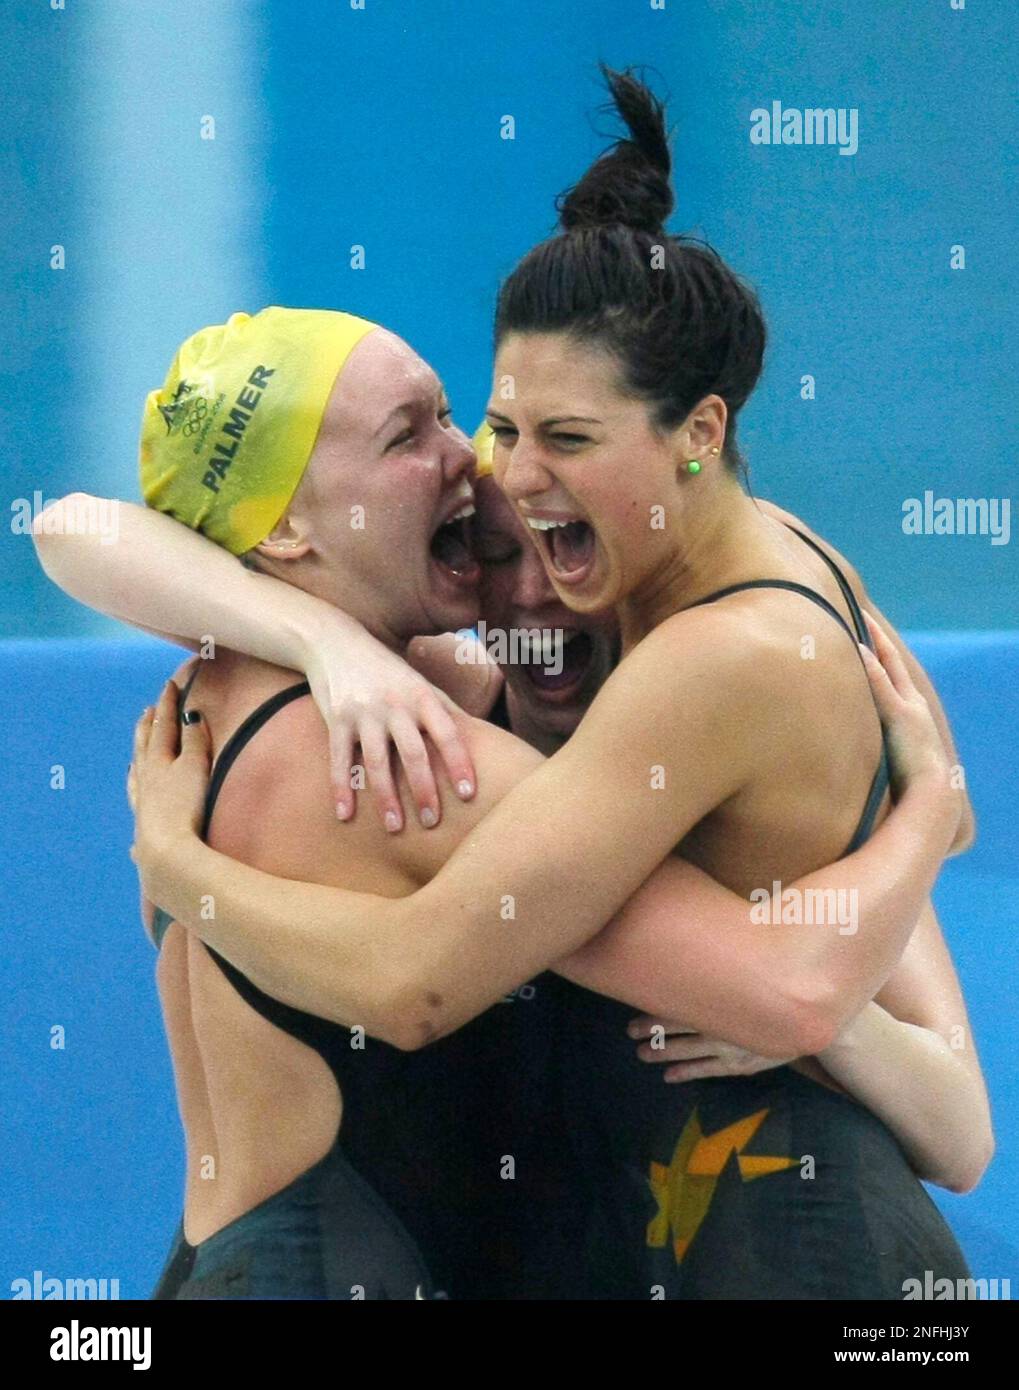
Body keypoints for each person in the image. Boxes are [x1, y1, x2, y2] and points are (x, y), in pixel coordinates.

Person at [116, 69, 991, 1297]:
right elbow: (77, 530)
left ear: (693, 435)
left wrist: (177, 870)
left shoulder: (677, 666)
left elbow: (935, 1109)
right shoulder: (427, 711)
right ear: (286, 541)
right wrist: (925, 816)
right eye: (487, 458)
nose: (508, 497)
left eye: (555, 444)